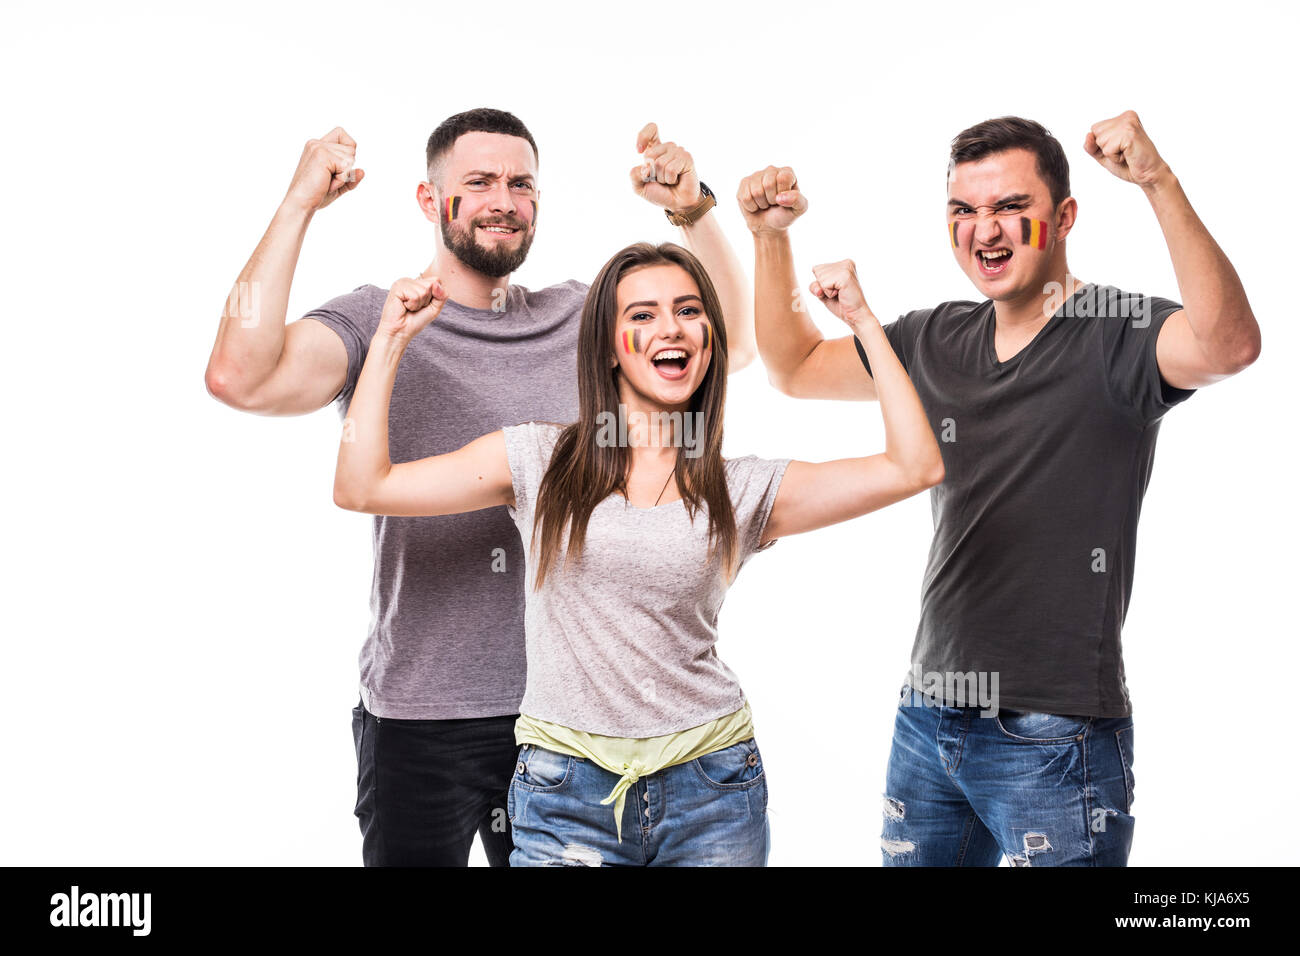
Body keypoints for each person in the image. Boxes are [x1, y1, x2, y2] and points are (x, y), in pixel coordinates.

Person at [203, 107, 756, 866]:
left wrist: (691, 212)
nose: (504, 200)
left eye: (522, 184)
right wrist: (299, 203)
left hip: (574, 722)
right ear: (430, 200)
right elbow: (238, 376)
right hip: (421, 712)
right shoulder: (379, 319)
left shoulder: (578, 318)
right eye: (481, 182)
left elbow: (731, 341)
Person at [742, 113, 1261, 866]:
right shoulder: (933, 339)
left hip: (1054, 732)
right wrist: (769, 239)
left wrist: (1157, 180)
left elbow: (1230, 344)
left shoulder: (1116, 332)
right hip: (928, 715)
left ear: (1065, 217)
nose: (985, 231)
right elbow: (793, 369)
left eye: (1011, 207)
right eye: (965, 210)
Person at [331, 240, 944, 865]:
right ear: (607, 347)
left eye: (688, 310)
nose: (670, 327)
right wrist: (390, 341)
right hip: (563, 794)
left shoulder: (742, 489)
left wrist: (863, 322)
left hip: (713, 788)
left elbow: (914, 466)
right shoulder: (536, 460)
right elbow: (362, 486)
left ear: (709, 339)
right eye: (642, 315)